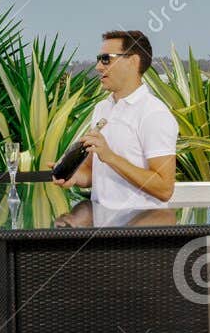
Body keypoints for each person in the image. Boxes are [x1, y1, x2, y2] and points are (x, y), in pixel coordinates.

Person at [54, 29, 178, 208]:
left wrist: (110, 156)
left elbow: (164, 189)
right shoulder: (102, 108)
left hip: (140, 230)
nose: (98, 66)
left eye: (106, 59)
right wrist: (73, 176)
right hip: (103, 224)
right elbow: (92, 171)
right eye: (99, 59)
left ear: (133, 61)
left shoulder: (154, 114)